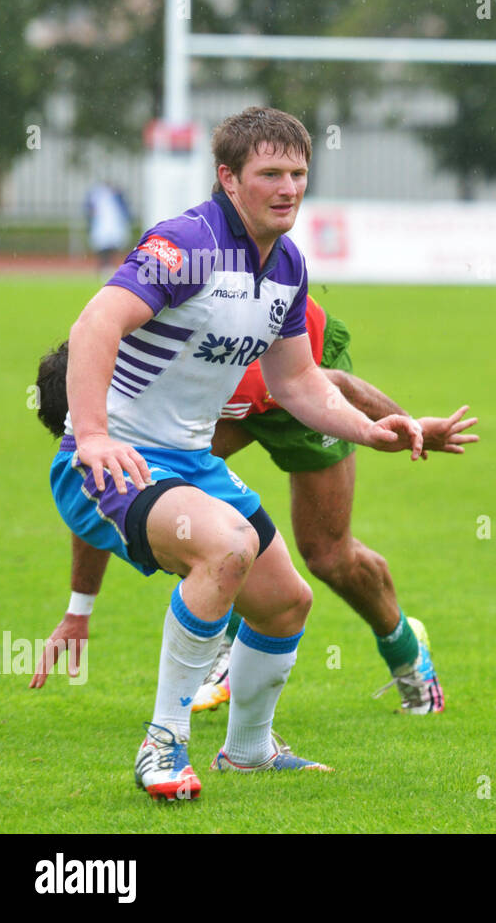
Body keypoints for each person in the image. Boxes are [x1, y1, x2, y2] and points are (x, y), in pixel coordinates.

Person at [50, 106, 426, 801]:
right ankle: (162, 744)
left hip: (189, 463)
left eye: (299, 174)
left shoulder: (287, 265)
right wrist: (95, 434)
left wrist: (368, 429)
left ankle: (249, 751)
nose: (288, 188)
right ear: (229, 178)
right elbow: (95, 321)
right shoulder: (186, 243)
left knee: (285, 602)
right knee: (227, 546)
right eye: (270, 174)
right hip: (114, 459)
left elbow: (297, 381)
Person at [29, 297, 477, 716]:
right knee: (180, 519)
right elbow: (107, 493)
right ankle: (229, 646)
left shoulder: (195, 372)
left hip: (301, 377)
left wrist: (414, 429)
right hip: (216, 402)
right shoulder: (123, 394)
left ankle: (407, 654)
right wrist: (78, 610)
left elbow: (331, 386)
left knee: (327, 556)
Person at [85, 181, 133, 278]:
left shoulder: (117, 196)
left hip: (114, 224)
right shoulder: (96, 195)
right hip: (101, 225)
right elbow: (88, 209)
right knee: (102, 247)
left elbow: (125, 209)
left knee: (113, 246)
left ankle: (111, 266)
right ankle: (103, 267)